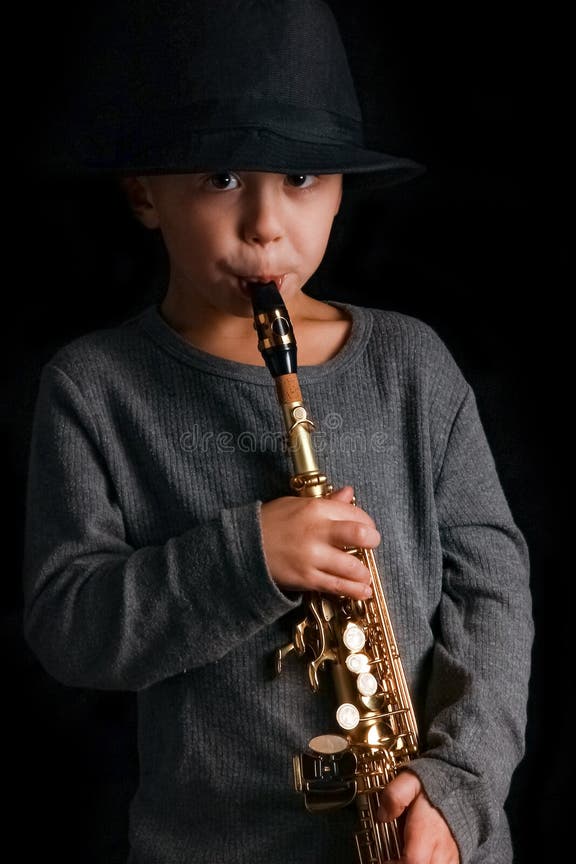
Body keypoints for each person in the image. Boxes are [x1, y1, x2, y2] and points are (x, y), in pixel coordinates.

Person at [23, 1, 533, 862]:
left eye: (301, 178)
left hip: (429, 838)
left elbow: (495, 596)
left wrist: (460, 789)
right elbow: (70, 625)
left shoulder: (413, 364)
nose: (265, 224)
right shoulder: (94, 387)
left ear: (339, 193)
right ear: (144, 192)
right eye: (222, 177)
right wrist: (246, 559)